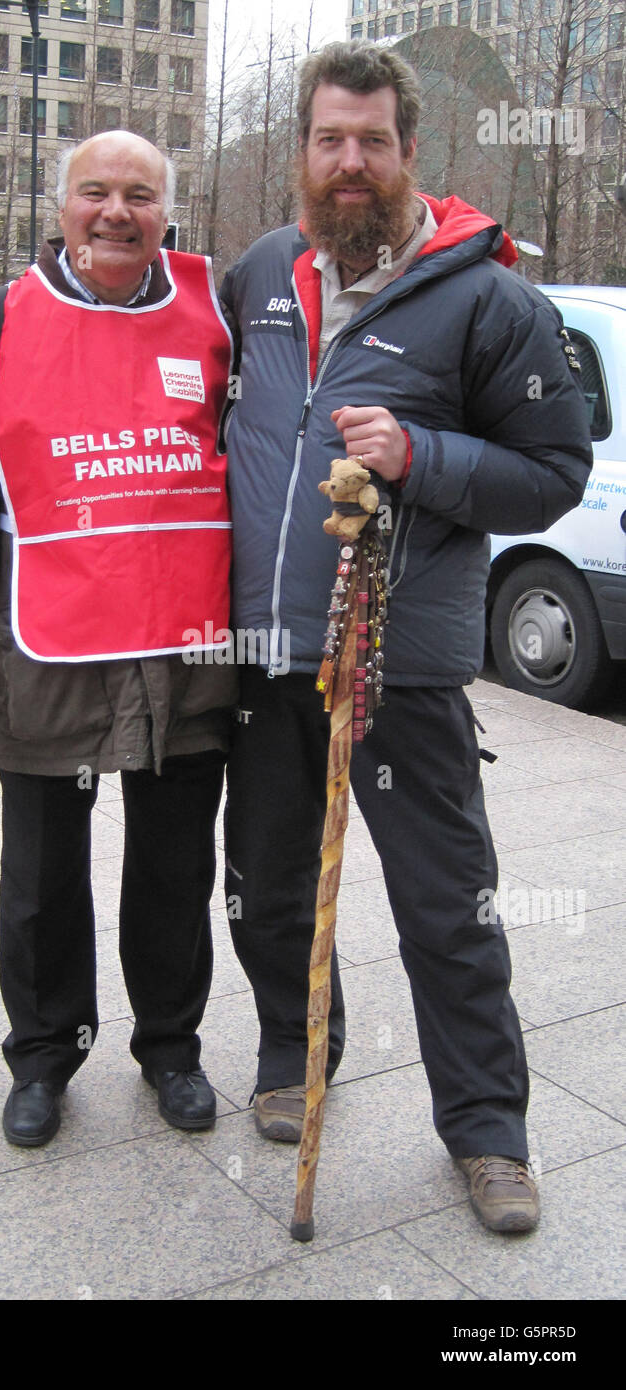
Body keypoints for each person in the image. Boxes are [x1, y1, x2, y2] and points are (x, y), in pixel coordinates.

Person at [220, 43, 593, 1233]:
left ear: (408, 154)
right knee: (266, 884)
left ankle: (489, 1130)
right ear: (303, 150)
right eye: (330, 139)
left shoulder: (490, 297)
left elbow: (553, 474)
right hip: (268, 651)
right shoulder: (263, 274)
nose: (349, 162)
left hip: (399, 660)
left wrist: (421, 456)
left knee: (449, 904)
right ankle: (295, 1053)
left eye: (371, 141)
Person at [0, 131, 236, 1147]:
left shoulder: (216, 317)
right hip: (52, 647)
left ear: (165, 212)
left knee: (175, 869)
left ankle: (171, 1048)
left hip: (187, 653)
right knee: (43, 874)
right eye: (95, 192)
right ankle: (44, 1055)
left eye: (139, 195)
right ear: (62, 206)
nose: (115, 213)